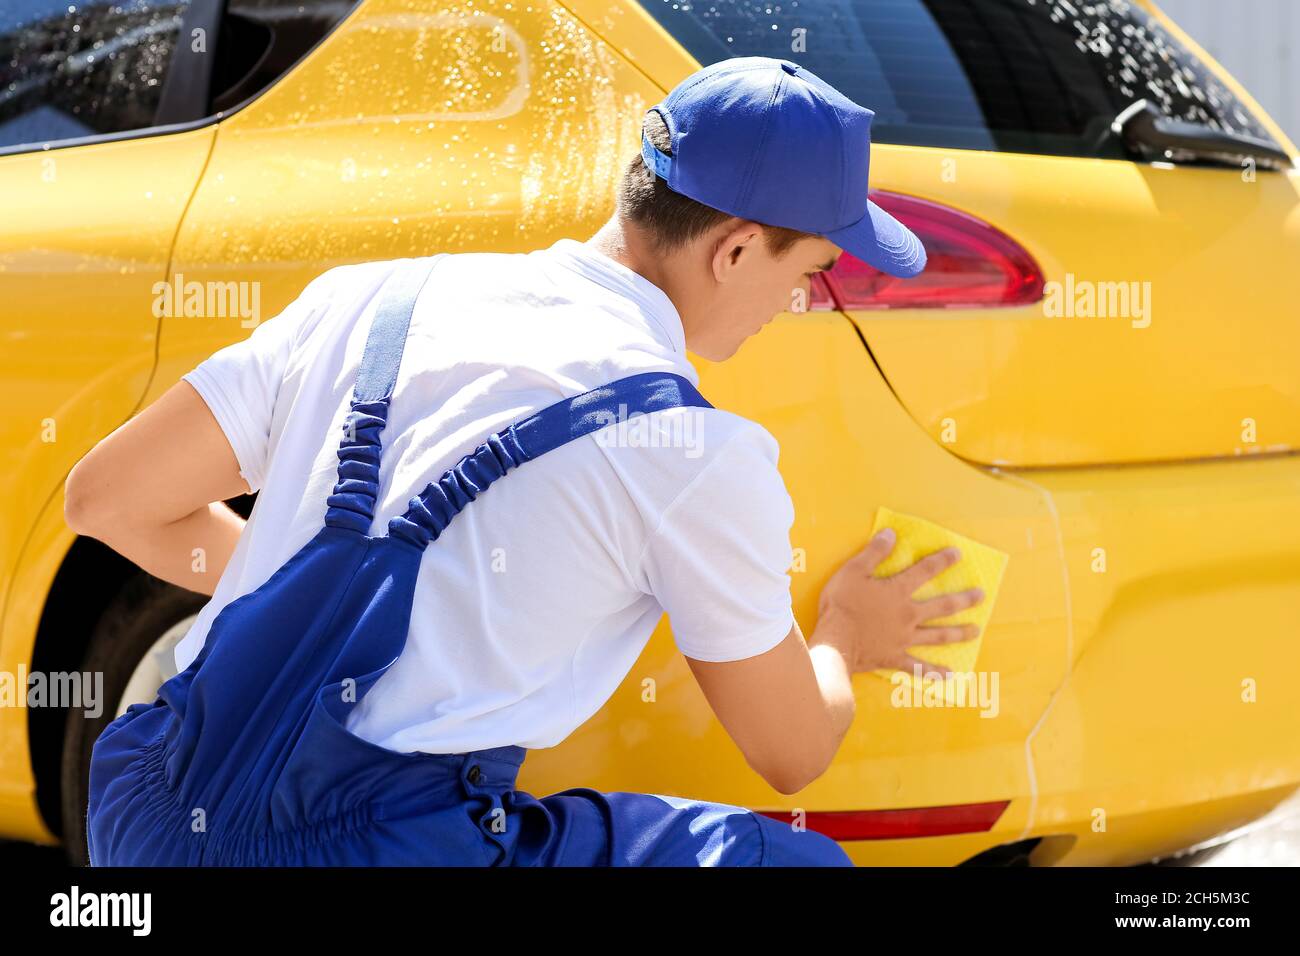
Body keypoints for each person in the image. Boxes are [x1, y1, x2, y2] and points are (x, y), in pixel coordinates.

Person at [66, 56, 983, 866]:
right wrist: (847, 636)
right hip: (385, 845)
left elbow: (107, 500)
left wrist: (298, 605)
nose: (798, 301)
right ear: (738, 248)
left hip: (148, 804)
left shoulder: (371, 298)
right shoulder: (694, 451)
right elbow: (792, 753)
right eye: (808, 272)